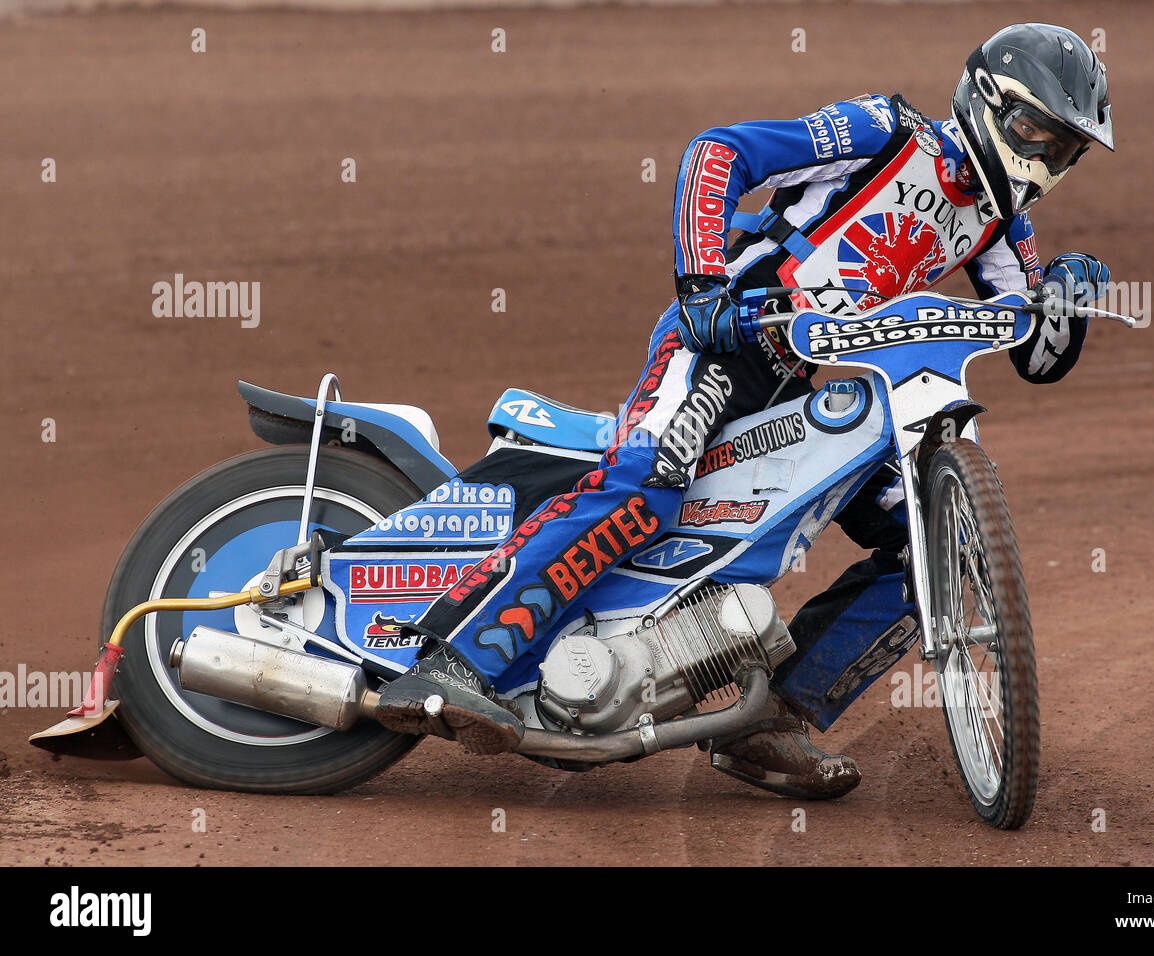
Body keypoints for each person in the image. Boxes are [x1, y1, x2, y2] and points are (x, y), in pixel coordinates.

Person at [375, 22, 1114, 798]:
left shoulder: (1003, 224)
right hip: (732, 343)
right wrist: (701, 286)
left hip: (822, 393)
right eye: (1034, 129)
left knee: (916, 546)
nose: (1043, 156)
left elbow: (1035, 357)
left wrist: (1064, 299)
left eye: (1064, 147)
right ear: (986, 102)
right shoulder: (887, 131)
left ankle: (767, 724)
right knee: (646, 483)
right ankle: (453, 662)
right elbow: (717, 153)